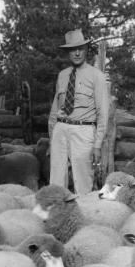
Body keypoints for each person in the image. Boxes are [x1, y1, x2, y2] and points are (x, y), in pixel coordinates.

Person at [47, 29, 110, 195]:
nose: (76, 53)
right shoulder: (62, 75)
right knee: (56, 181)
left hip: (84, 130)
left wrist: (97, 145)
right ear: (68, 52)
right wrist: (52, 136)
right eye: (73, 50)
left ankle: (84, 216)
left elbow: (103, 113)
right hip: (60, 129)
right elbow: (55, 110)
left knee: (83, 181)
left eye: (80, 49)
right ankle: (57, 215)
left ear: (86, 50)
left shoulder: (97, 76)